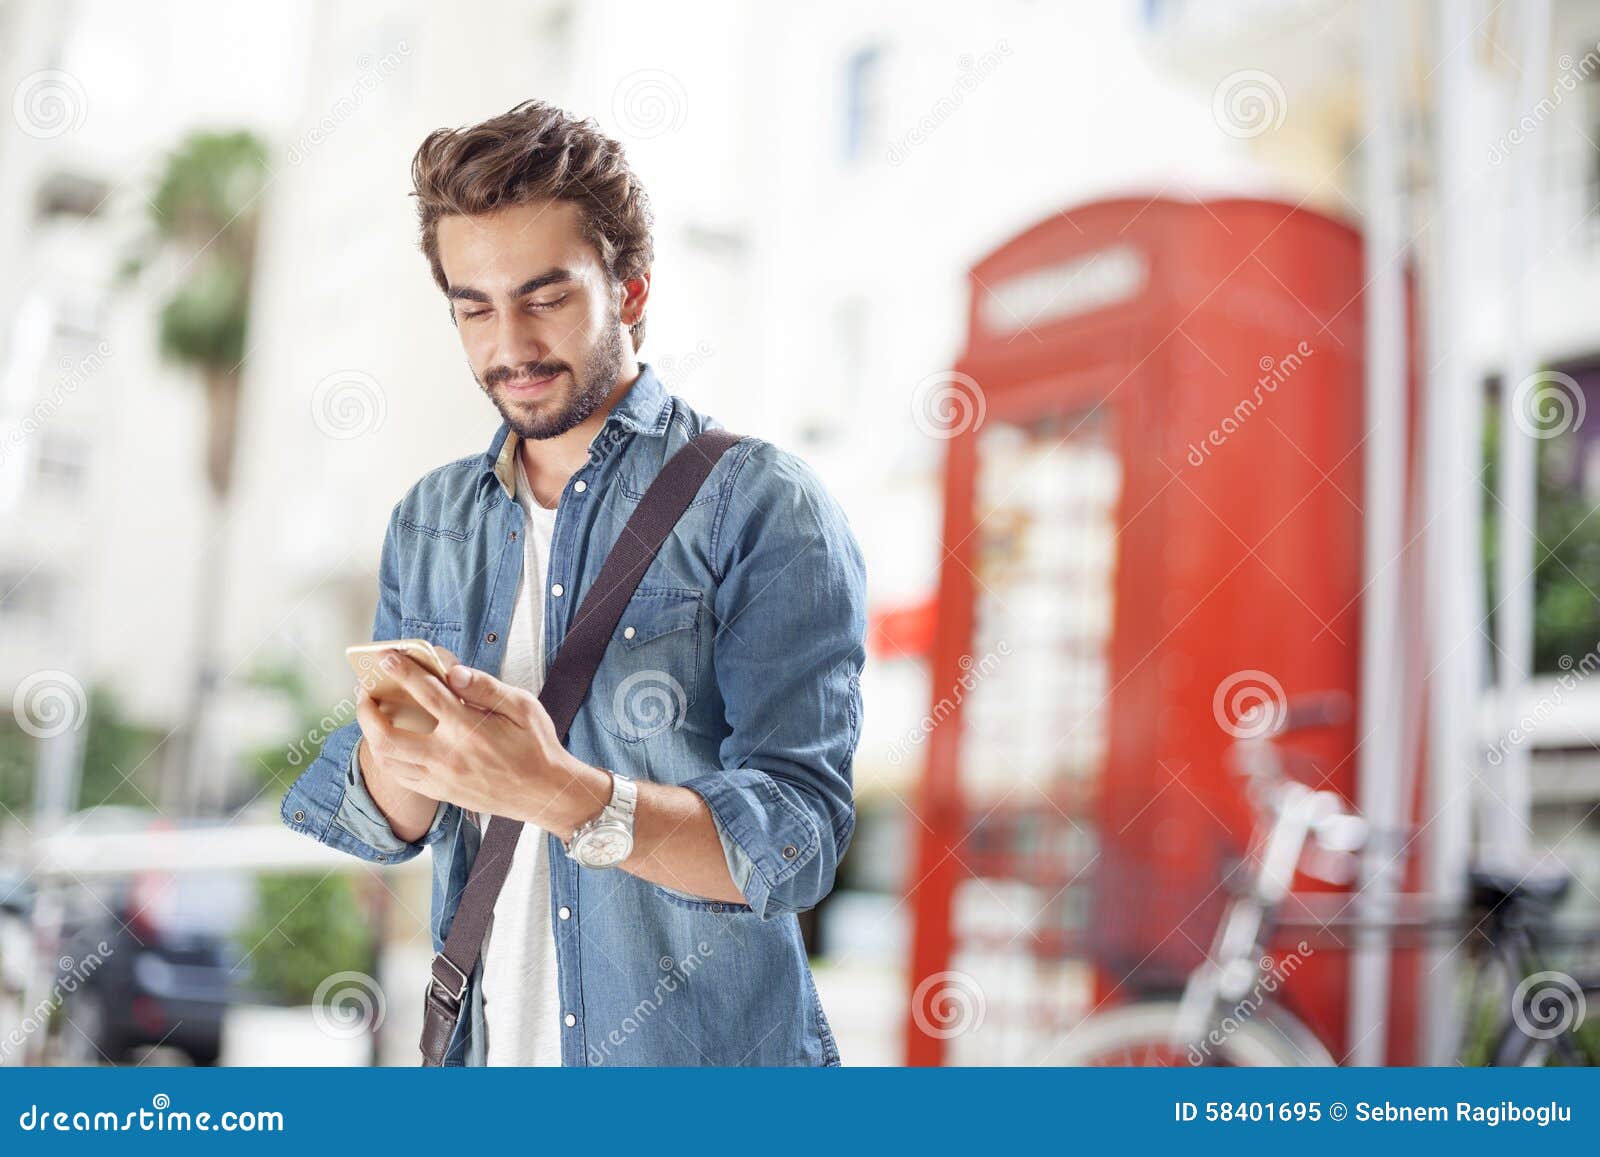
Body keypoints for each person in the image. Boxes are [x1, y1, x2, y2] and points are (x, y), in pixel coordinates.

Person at [281, 99, 867, 1067]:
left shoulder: (761, 503)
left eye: (545, 298)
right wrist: (405, 741)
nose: (508, 344)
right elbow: (391, 822)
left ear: (631, 290)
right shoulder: (431, 519)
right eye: (474, 306)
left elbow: (795, 838)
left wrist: (561, 792)